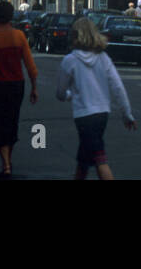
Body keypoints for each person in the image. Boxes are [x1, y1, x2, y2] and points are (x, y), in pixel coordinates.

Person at [56, 17, 136, 180]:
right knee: (84, 159)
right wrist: (126, 114)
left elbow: (60, 92)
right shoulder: (103, 58)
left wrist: (69, 95)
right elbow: (118, 87)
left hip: (83, 116)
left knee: (99, 159)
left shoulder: (69, 61)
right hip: (102, 114)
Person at [0, 0, 39, 178]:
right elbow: (30, 65)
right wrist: (34, 87)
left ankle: (6, 164)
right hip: (16, 85)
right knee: (11, 122)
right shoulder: (19, 36)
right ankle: (7, 161)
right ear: (12, 16)